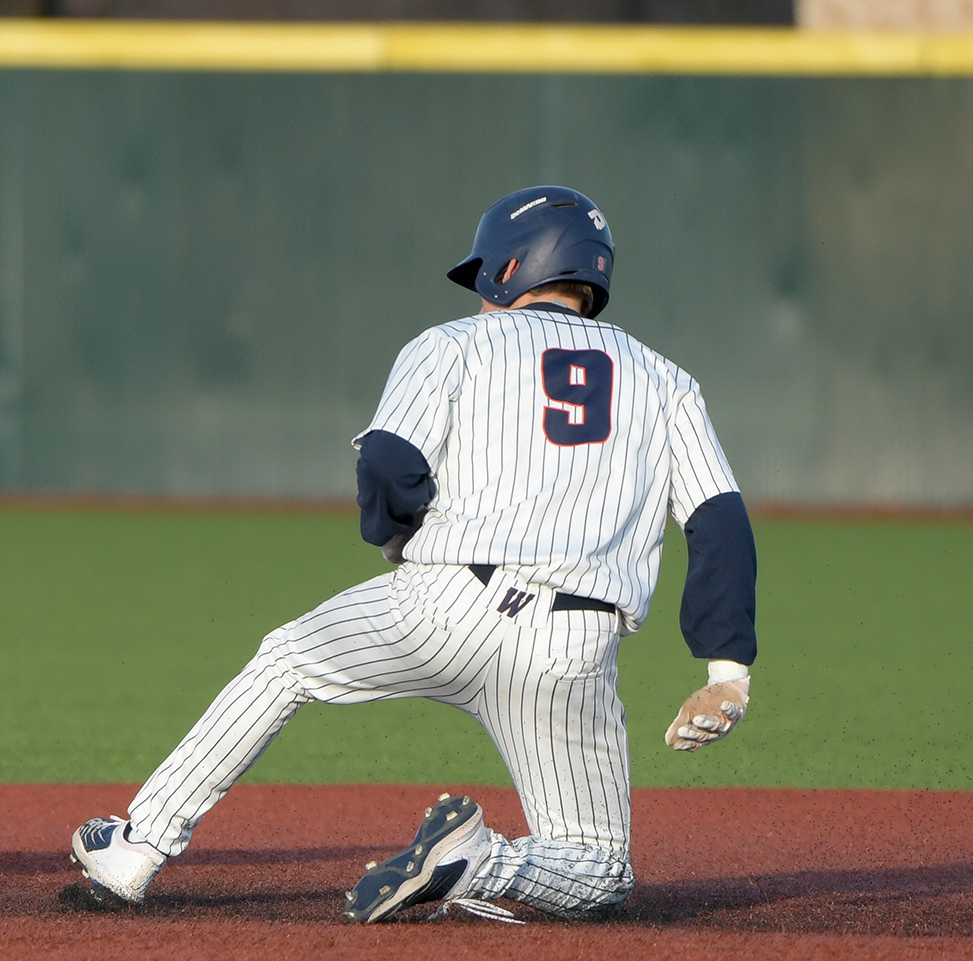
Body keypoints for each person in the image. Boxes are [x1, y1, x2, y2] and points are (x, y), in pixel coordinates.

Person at [68, 187, 757, 923]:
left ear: (507, 270)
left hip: (443, 601)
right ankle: (484, 860)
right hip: (572, 646)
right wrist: (727, 674)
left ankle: (136, 849)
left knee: (286, 663)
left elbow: (390, 466)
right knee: (596, 873)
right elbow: (719, 524)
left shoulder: (451, 344)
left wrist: (398, 540)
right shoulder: (667, 381)